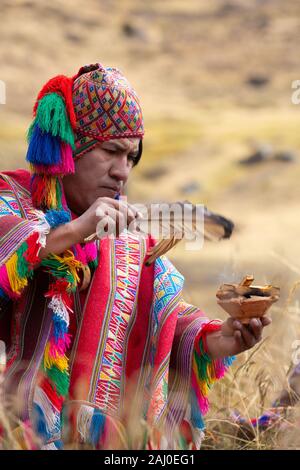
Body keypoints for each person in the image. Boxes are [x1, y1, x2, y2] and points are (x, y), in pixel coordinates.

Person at [0, 63, 271, 450]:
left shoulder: (127, 238)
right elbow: (12, 249)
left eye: (131, 157)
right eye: (111, 151)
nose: (123, 171)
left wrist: (221, 341)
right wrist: (76, 231)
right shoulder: (12, 200)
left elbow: (166, 322)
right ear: (69, 149)